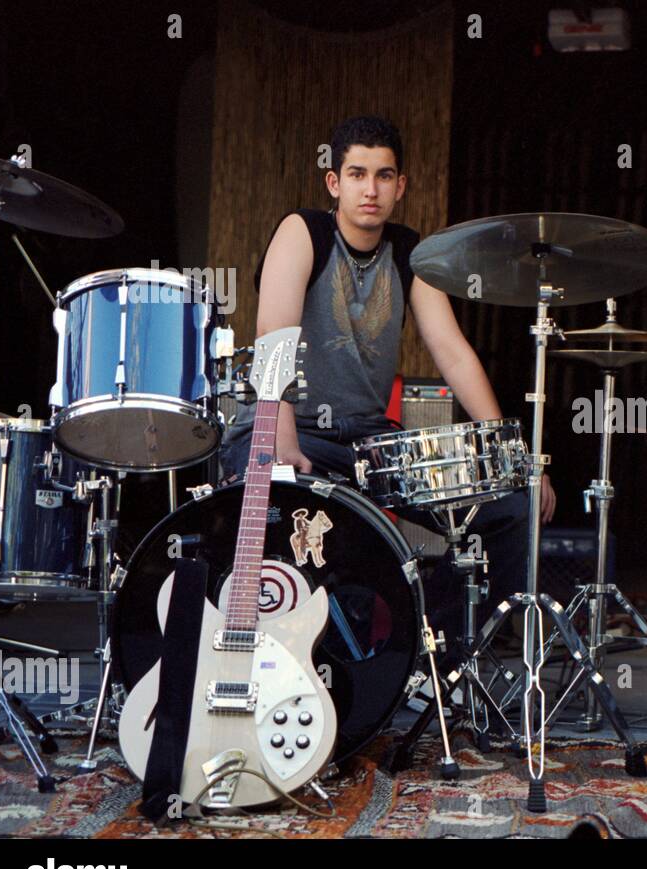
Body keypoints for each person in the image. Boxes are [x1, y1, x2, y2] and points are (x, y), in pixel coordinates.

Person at [221, 115, 554, 653]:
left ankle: (432, 649)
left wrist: (511, 457)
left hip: (367, 447)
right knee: (308, 540)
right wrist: (277, 436)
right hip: (286, 429)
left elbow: (453, 353)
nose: (369, 189)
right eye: (357, 174)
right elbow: (272, 334)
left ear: (401, 186)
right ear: (334, 182)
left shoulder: (410, 254)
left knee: (512, 508)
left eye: (383, 175)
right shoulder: (302, 231)